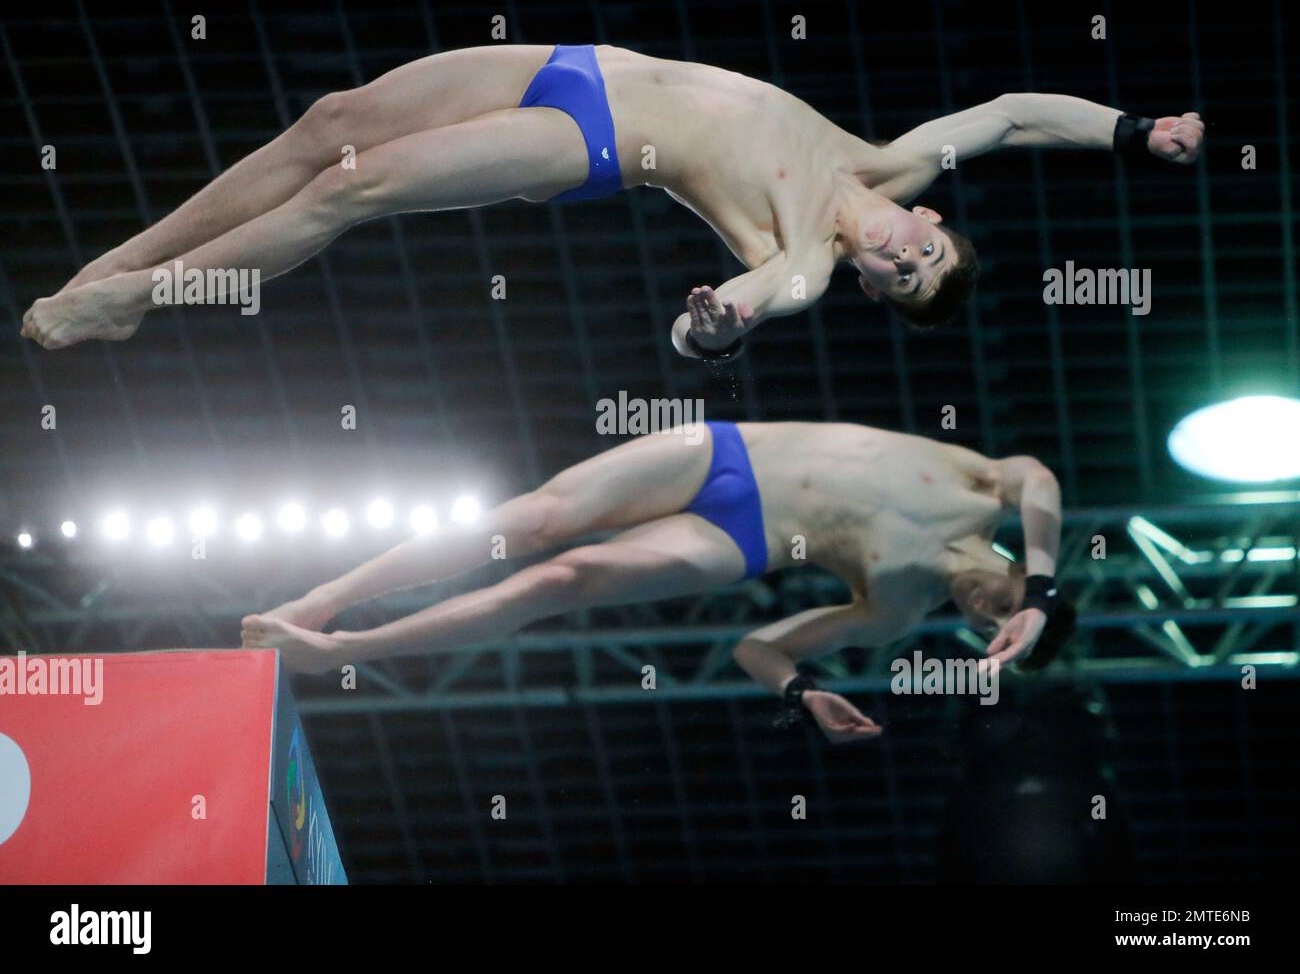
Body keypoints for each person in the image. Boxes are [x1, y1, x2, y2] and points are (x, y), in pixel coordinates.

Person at [22, 43, 1202, 353]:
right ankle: (113, 266)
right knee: (333, 122)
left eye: (897, 285)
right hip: (579, 60)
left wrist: (708, 327)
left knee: (358, 186)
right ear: (931, 221)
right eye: (922, 256)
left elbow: (743, 307)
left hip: (584, 141)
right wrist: (1133, 131)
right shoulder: (893, 160)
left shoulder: (797, 256)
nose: (896, 261)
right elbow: (1005, 112)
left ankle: (146, 300)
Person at [240, 420, 1076, 743]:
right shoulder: (986, 493)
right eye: (1000, 609)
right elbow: (1038, 473)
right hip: (731, 452)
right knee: (536, 521)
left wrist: (804, 693)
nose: (981, 613)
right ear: (1022, 579)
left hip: (741, 536)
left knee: (562, 578)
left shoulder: (898, 610)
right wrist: (1037, 600)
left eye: (986, 631)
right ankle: (325, 596)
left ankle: (339, 646)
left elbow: (760, 645)